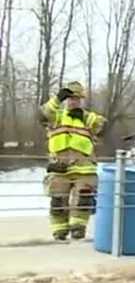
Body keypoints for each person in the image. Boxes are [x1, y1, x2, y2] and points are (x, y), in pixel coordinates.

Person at [40, 82, 106, 241]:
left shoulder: (88, 117)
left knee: (83, 200)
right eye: (70, 98)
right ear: (65, 99)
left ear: (81, 100)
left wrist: (85, 116)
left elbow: (103, 126)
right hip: (59, 167)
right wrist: (56, 100)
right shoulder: (56, 116)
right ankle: (59, 232)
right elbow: (43, 114)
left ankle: (78, 230)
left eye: (76, 99)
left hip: (85, 168)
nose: (73, 101)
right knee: (58, 202)